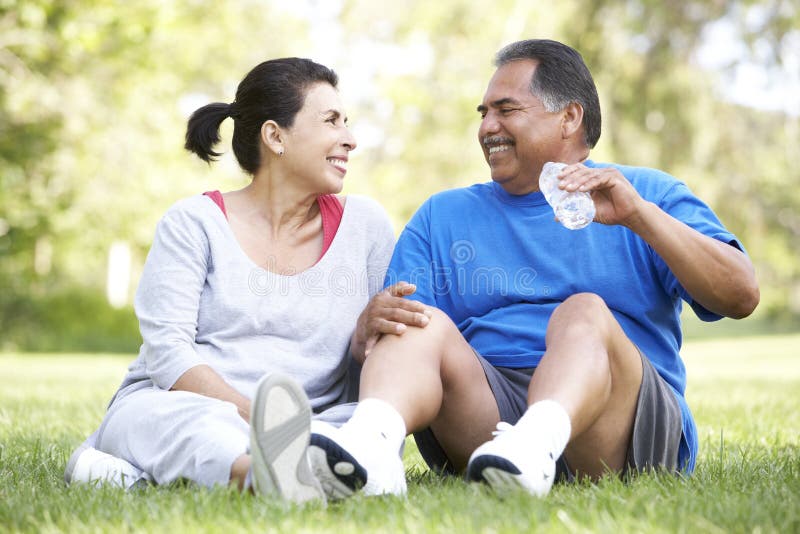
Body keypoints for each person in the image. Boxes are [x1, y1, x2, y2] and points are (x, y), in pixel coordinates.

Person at [307, 39, 759, 499]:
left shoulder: (645, 193)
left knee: (583, 311)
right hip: (490, 421)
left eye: (506, 110)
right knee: (415, 321)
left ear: (569, 117)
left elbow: (741, 295)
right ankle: (368, 451)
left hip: (616, 420)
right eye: (482, 113)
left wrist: (639, 217)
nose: (487, 127)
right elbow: (400, 347)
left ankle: (538, 441)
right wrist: (371, 330)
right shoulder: (441, 215)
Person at [63, 57, 430, 503]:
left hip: (318, 420)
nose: (350, 139)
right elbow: (168, 356)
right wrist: (263, 421)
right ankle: (267, 475)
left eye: (346, 122)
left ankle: (126, 473)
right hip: (193, 406)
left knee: (362, 425)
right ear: (275, 136)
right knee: (170, 420)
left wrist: (364, 337)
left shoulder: (365, 225)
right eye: (332, 121)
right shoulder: (193, 223)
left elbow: (369, 361)